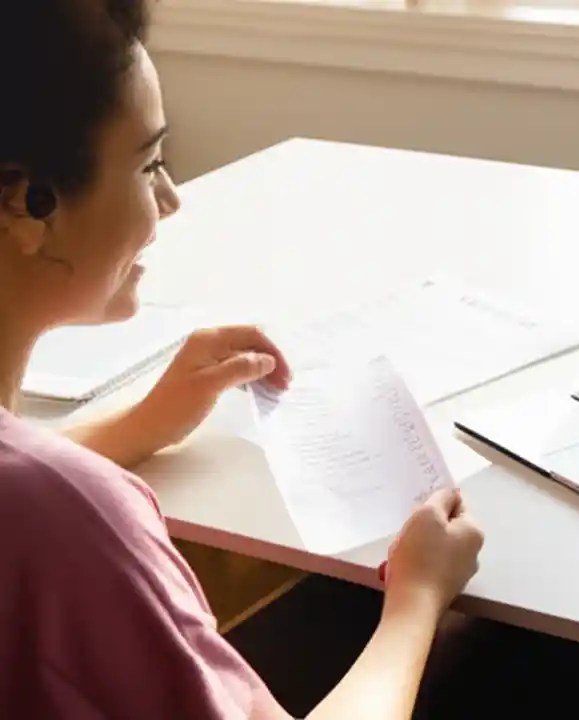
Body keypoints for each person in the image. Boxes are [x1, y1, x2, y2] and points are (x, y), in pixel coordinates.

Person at [0, 2, 484, 718]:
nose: (170, 200)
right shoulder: (74, 520)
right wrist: (417, 598)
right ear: (27, 205)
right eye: (149, 164)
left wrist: (135, 428)